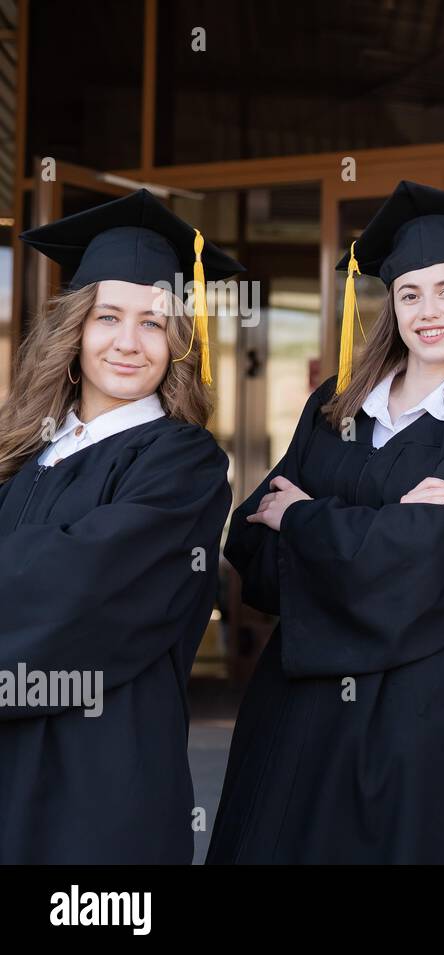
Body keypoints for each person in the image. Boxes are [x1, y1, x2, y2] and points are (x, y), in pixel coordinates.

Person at [208, 182, 444, 863]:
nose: (428, 310)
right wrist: (373, 530)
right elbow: (248, 543)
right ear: (390, 307)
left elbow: (420, 564)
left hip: (419, 712)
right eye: (409, 293)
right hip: (297, 705)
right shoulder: (334, 405)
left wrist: (302, 514)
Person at [0, 189, 236, 863]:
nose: (128, 343)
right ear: (75, 330)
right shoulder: (23, 451)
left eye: (154, 323)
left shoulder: (182, 461)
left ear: (179, 341)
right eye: (108, 317)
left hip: (101, 781)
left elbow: (87, 583)